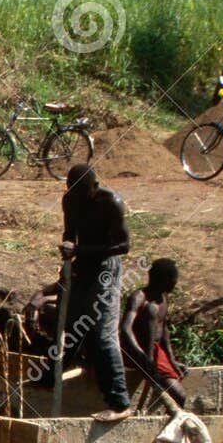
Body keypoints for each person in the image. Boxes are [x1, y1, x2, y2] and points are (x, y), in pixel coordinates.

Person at [39, 163, 133, 422]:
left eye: (83, 192)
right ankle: (48, 377)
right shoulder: (70, 200)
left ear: (94, 186)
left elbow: (123, 245)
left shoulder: (111, 202)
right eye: (74, 191)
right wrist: (67, 268)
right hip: (84, 265)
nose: (78, 196)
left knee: (103, 333)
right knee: (69, 323)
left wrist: (80, 252)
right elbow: (70, 235)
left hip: (105, 267)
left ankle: (120, 401)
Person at [120, 258, 187, 406]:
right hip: (135, 352)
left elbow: (164, 330)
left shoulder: (163, 298)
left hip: (155, 352)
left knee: (180, 396)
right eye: (172, 280)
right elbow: (125, 330)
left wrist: (171, 359)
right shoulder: (139, 297)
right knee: (179, 395)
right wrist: (143, 357)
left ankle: (170, 419)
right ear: (162, 280)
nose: (175, 283)